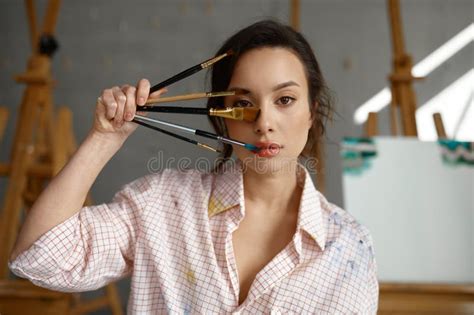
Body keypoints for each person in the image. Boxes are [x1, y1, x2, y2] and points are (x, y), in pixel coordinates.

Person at [9, 20, 378, 313]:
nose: (264, 122)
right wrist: (105, 137)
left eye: (285, 99)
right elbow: (39, 258)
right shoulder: (162, 204)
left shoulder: (348, 247)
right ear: (222, 118)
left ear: (312, 111)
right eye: (243, 103)